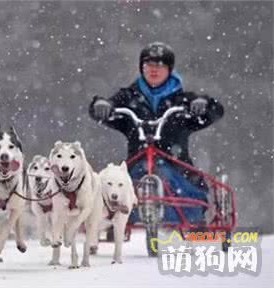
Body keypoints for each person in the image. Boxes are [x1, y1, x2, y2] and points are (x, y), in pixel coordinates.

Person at [89, 42, 224, 223]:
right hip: (138, 161)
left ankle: (187, 214)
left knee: (177, 183)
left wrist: (204, 105)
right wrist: (102, 106)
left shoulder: (181, 100)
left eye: (160, 65)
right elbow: (108, 105)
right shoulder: (130, 97)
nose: (154, 70)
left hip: (176, 164)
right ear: (142, 68)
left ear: (169, 70)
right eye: (149, 65)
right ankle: (122, 217)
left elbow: (215, 111)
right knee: (123, 185)